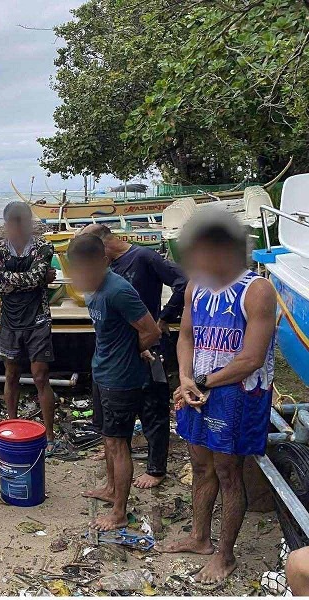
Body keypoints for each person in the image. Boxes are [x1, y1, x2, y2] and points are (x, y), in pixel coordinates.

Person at [160, 210, 276, 583]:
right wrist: (184, 377)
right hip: (198, 387)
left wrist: (200, 383)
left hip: (237, 394)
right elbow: (186, 337)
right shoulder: (196, 285)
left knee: (228, 472)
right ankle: (199, 538)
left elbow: (251, 359)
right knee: (199, 465)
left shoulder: (256, 289)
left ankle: (225, 556)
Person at [80, 224, 187, 488]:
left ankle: (156, 468)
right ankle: (114, 450)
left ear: (103, 246)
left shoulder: (143, 257)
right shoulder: (106, 271)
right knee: (114, 410)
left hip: (148, 344)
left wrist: (164, 317)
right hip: (117, 351)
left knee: (152, 407)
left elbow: (184, 281)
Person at [68, 234, 161, 531]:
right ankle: (110, 489)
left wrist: (133, 352)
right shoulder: (92, 289)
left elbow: (151, 331)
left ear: (103, 262)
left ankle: (119, 512)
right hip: (102, 372)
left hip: (121, 379)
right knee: (108, 438)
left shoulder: (118, 290)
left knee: (119, 444)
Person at [0, 202, 58, 449]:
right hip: (9, 320)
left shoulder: (43, 246)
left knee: (40, 376)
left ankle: (49, 435)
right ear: (6, 223)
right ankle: (11, 425)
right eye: (12, 221)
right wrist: (31, 280)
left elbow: (35, 278)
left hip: (38, 318)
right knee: (11, 374)